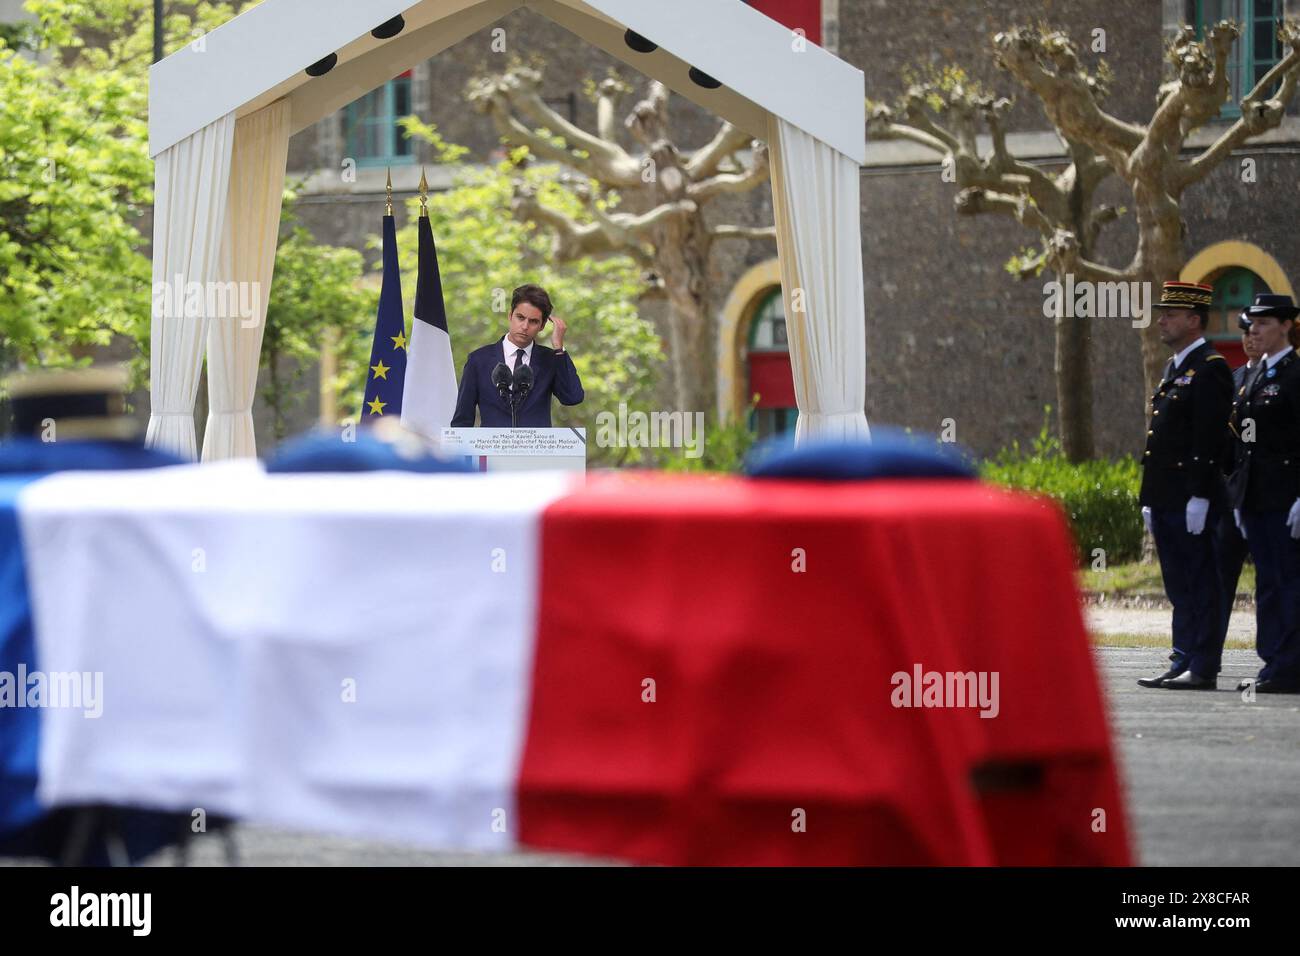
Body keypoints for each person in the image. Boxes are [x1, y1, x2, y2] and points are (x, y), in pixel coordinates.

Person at [1137, 281, 1234, 690]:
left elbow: (1207, 438)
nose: (1162, 320)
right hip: (1166, 498)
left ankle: (1203, 665)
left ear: (1194, 320)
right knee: (1179, 584)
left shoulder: (1210, 368)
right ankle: (1182, 658)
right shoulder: (1175, 368)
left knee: (1200, 581)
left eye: (1171, 314)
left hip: (1192, 498)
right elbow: (1159, 438)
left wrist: (1198, 494)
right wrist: (1149, 498)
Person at [1229, 292, 1300, 694]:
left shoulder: (1294, 375)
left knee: (1290, 581)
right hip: (1256, 497)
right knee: (1267, 584)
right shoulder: (1255, 375)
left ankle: (1290, 666)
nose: (1254, 329)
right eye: (1252, 322)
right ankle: (1272, 663)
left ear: (1286, 326)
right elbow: (1245, 442)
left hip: (1287, 498)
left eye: (1265, 322)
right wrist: (1240, 494)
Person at [450, 284, 584, 428]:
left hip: (536, 449)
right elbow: (462, 421)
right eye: (520, 317)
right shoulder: (478, 360)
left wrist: (558, 347)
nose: (525, 326)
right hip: (491, 450)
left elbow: (572, 397)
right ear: (510, 316)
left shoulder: (551, 359)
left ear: (542, 325)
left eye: (533, 321)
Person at [1214, 313, 1264, 656]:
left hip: (1269, 494)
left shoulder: (1287, 376)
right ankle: (1206, 656)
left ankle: (1276, 658)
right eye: (1243, 332)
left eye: (1255, 331)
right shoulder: (1234, 379)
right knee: (1219, 580)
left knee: (1273, 583)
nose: (1248, 337)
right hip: (1233, 495)